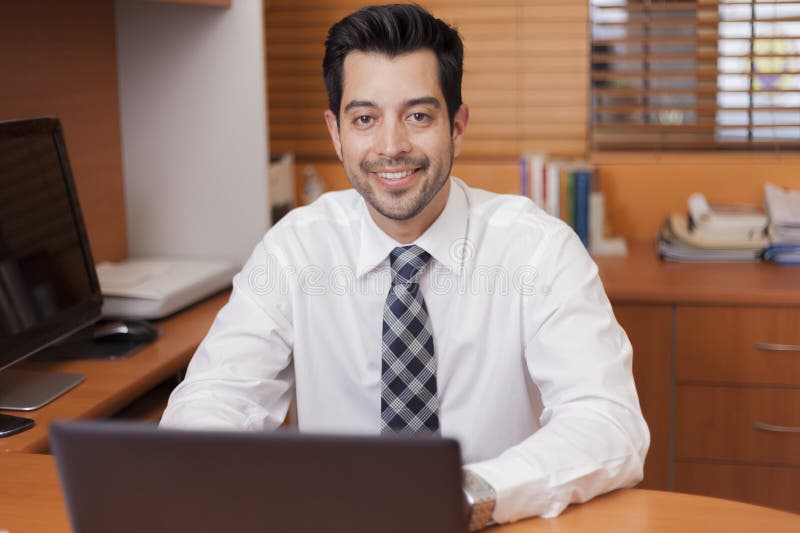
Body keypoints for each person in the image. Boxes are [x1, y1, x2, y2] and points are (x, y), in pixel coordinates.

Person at [161, 4, 649, 530]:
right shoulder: (294, 251)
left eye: (418, 116)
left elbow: (607, 422)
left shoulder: (538, 251)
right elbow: (215, 398)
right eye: (365, 119)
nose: (391, 147)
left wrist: (463, 498)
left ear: (457, 126)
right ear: (336, 132)